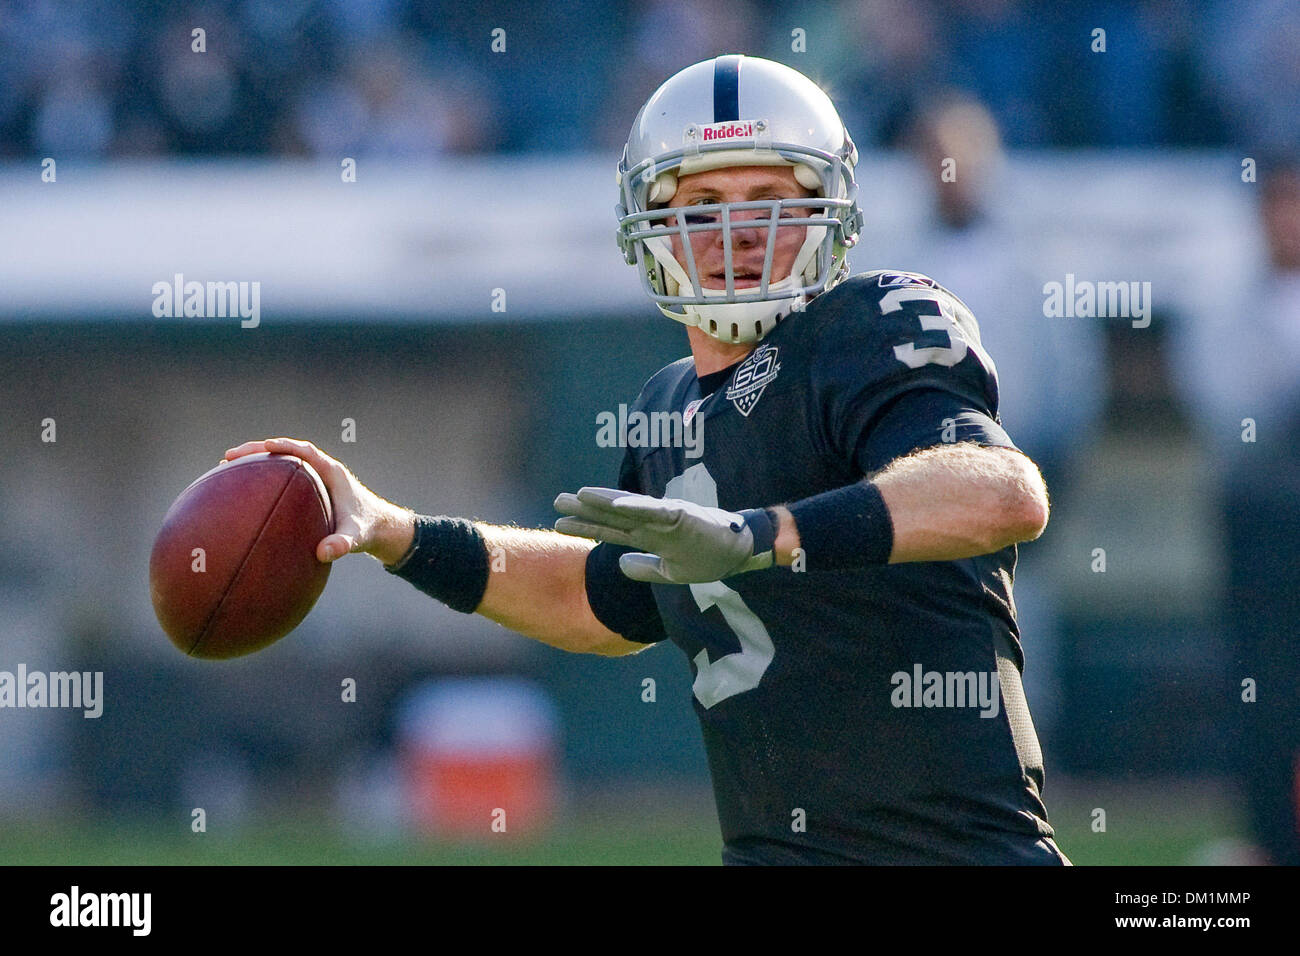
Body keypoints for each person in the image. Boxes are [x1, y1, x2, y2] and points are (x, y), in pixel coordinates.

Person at [225, 55, 1069, 865]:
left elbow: (1000, 493)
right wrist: (397, 532)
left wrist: (759, 535)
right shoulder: (668, 405)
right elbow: (597, 600)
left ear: (830, 213)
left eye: (770, 196)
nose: (738, 229)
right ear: (651, 226)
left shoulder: (872, 325)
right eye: (702, 204)